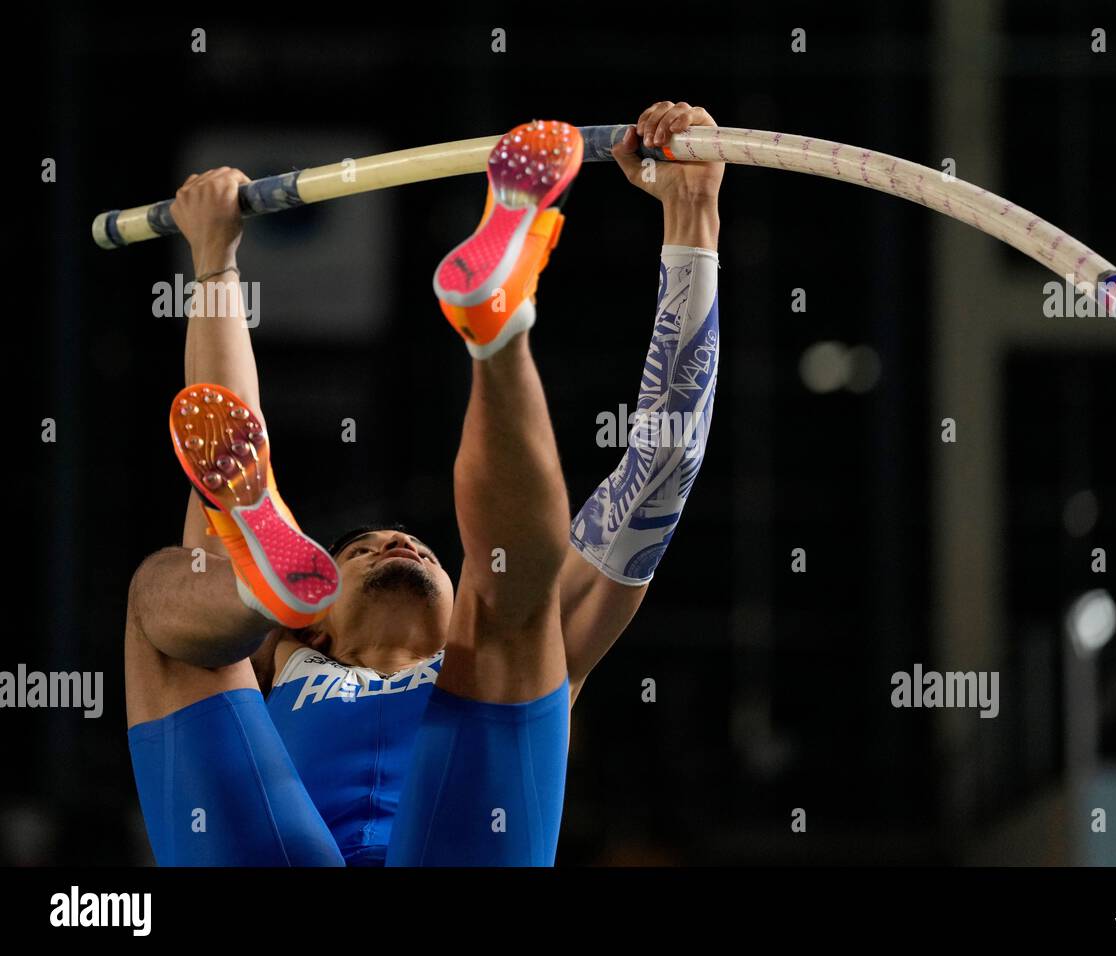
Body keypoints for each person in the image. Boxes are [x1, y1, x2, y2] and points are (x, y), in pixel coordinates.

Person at [124, 101, 724, 866]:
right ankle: (257, 579)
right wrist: (213, 258)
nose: (396, 542)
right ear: (312, 626)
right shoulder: (283, 664)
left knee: (508, 609)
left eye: (396, 545)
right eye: (361, 550)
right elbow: (221, 434)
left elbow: (658, 471)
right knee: (174, 603)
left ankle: (498, 321)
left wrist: (692, 210)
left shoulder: (493, 656)